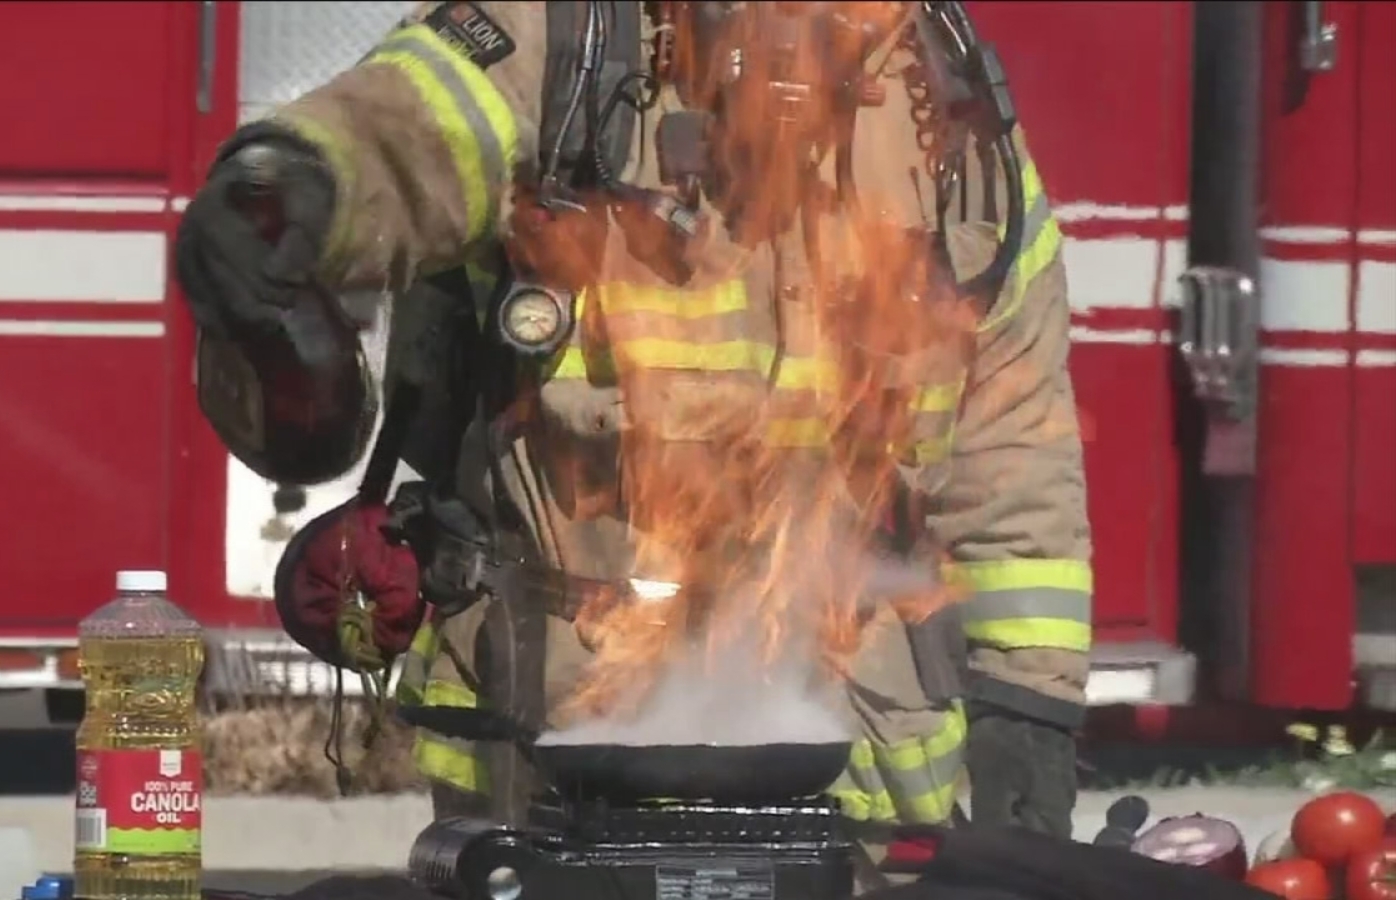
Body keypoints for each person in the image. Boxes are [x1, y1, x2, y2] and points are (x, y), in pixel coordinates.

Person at [174, 0, 1093, 841]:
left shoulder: (949, 114)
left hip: (861, 786)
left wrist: (1030, 711)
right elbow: (407, 127)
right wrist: (294, 187)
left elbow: (1015, 448)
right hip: (570, 770)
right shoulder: (571, 42)